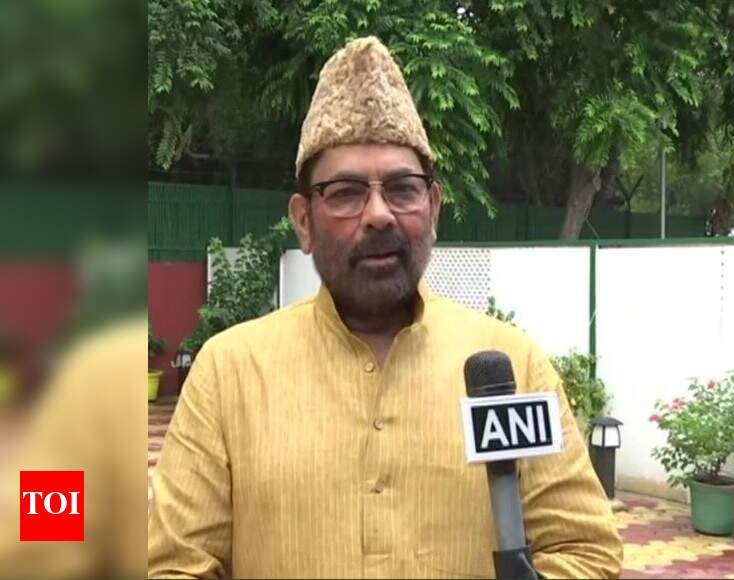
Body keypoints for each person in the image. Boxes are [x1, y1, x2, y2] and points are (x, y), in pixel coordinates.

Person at [147, 36, 623, 579]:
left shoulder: (510, 365)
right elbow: (176, 568)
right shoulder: (229, 372)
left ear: (434, 207)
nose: (379, 215)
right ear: (303, 221)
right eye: (347, 192)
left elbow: (585, 550)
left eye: (402, 188)